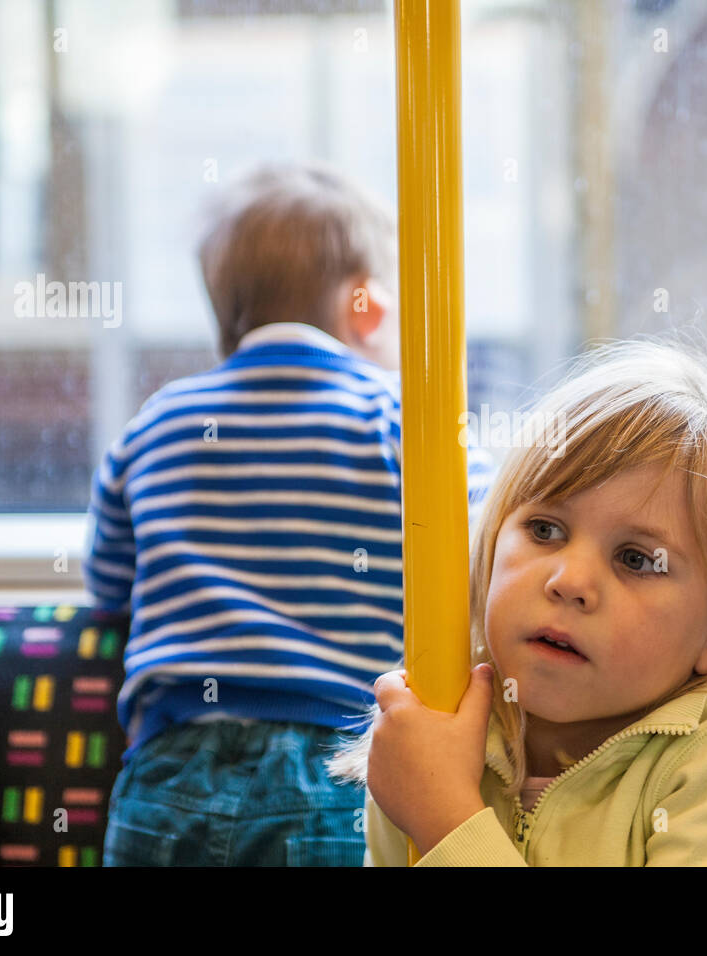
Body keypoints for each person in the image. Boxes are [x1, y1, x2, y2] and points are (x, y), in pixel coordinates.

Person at [328, 334, 707, 866]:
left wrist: (449, 823)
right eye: (544, 530)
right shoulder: (445, 726)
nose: (568, 580)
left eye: (636, 559)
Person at [83, 163, 494, 866]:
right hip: (338, 768)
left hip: (171, 763)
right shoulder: (405, 427)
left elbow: (108, 583)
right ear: (367, 307)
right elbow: (483, 564)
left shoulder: (158, 424)